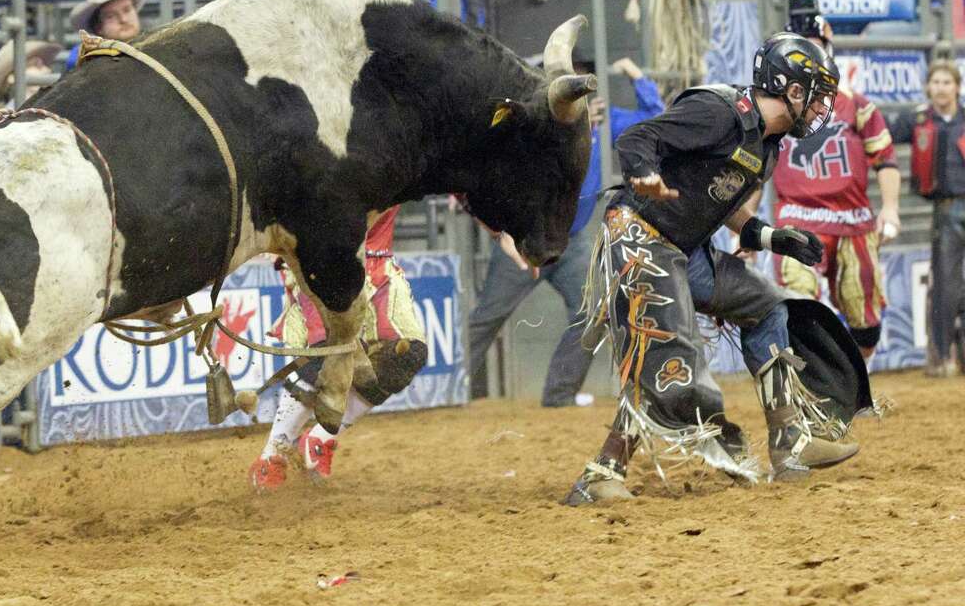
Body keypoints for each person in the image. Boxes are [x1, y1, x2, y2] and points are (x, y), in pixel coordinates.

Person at [564, 32, 870, 505]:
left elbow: (721, 203)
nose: (820, 108)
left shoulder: (768, 145)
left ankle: (790, 442)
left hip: (685, 247)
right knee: (666, 352)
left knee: (767, 305)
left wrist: (772, 236)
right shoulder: (718, 112)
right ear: (791, 90)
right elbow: (637, 138)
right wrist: (644, 175)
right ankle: (601, 473)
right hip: (640, 235)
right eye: (816, 95)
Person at [468, 57, 664, 407]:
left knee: (593, 310)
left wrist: (636, 72)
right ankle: (449, 389)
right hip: (525, 239)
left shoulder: (604, 123)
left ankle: (559, 396)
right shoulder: (537, 123)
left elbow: (654, 115)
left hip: (570, 242)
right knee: (487, 317)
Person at [249, 206, 428, 491]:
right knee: (324, 360)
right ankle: (273, 456)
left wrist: (506, 231)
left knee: (406, 355)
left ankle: (321, 437)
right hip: (314, 257)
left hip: (377, 263)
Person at [771, 0, 899, 360]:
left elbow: (885, 159)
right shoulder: (776, 106)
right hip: (799, 215)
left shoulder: (857, 105)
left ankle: (856, 385)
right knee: (798, 304)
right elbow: (754, 164)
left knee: (865, 319)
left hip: (853, 220)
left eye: (817, 46)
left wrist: (890, 209)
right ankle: (813, 383)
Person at [902, 62, 965, 375]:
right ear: (928, 88)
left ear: (957, 86)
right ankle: (941, 357)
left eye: (946, 82)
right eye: (935, 82)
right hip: (946, 208)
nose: (941, 88)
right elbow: (879, 138)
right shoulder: (916, 120)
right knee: (945, 285)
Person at [63, 0, 146, 69]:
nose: (123, 19)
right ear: (98, 27)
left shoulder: (155, 48)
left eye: (127, 10)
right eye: (111, 16)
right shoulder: (85, 61)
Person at [0, 39, 63, 112]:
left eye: (46, 65)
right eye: (36, 64)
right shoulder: (4, 118)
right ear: (12, 77)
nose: (48, 70)